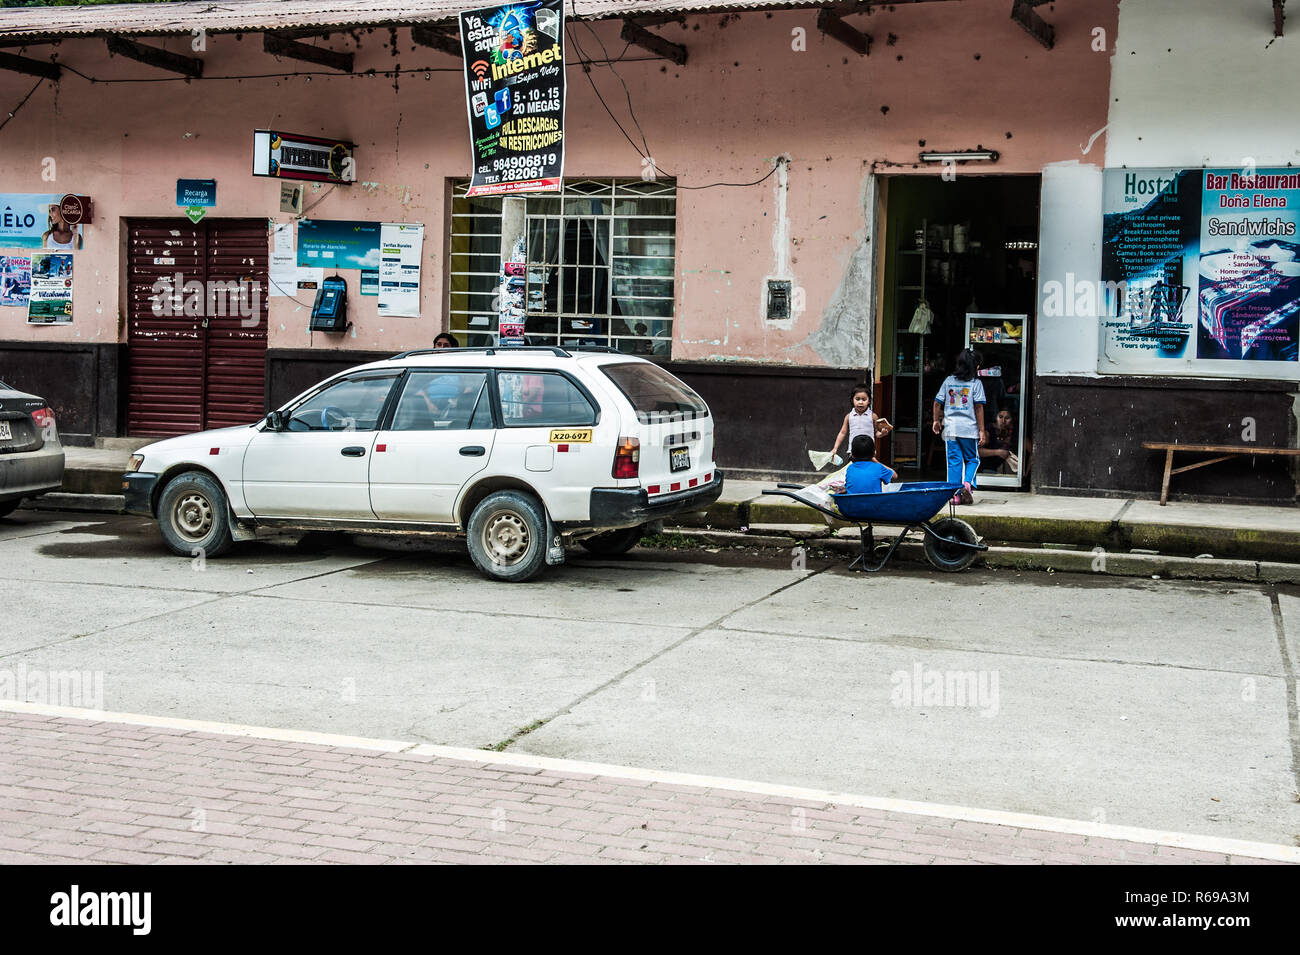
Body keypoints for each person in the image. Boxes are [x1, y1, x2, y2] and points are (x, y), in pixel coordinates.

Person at [932, 348, 986, 504]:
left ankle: (955, 496)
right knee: (973, 459)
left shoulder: (949, 381)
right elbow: (978, 408)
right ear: (975, 367)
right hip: (969, 429)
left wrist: (936, 421)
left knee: (954, 462)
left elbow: (937, 403)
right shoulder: (976, 384)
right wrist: (982, 430)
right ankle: (967, 482)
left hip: (950, 430)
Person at [829, 383, 892, 464]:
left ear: (869, 401)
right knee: (855, 469)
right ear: (852, 400)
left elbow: (877, 433)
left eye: (864, 399)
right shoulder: (849, 416)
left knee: (868, 470)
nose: (860, 402)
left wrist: (882, 433)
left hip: (869, 452)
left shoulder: (873, 416)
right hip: (853, 452)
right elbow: (842, 433)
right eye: (857, 399)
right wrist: (835, 448)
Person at [979, 408, 1019, 474]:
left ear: (1012, 419)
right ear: (996, 418)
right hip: (988, 470)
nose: (1003, 421)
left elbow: (1031, 451)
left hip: (1011, 473)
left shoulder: (1016, 432)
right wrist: (998, 452)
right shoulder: (990, 430)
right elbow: (978, 451)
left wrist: (1025, 475)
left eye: (1007, 418)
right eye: (1000, 417)